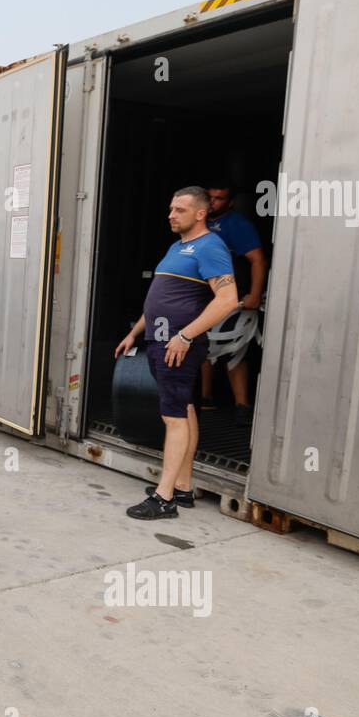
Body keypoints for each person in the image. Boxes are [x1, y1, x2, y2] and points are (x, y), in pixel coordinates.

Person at [115, 187, 239, 520]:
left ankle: (164, 497)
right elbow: (160, 297)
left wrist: (185, 335)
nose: (171, 215)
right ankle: (183, 487)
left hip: (177, 344)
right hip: (161, 340)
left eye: (180, 210)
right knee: (184, 409)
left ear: (201, 213)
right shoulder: (177, 247)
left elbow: (227, 299)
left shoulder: (211, 247)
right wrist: (134, 333)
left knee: (173, 418)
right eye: (170, 208)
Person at [200, 185, 267, 422]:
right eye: (210, 197)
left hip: (232, 298)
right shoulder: (196, 221)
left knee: (234, 349)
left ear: (230, 202)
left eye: (219, 198)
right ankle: (205, 398)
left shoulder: (237, 225)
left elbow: (257, 259)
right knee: (203, 345)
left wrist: (255, 295)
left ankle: (242, 405)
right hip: (201, 296)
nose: (213, 202)